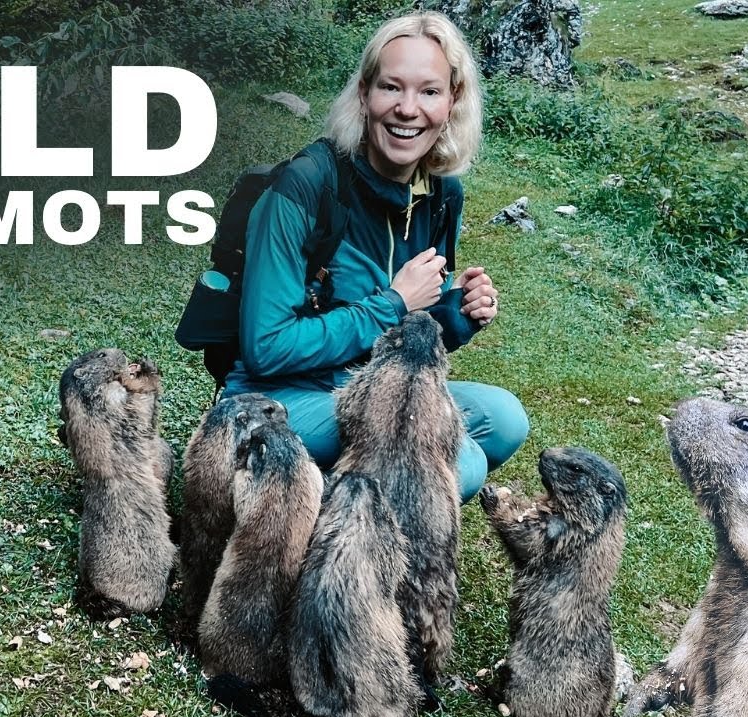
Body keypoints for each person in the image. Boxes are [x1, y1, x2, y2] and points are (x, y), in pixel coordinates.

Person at [221, 11, 528, 503]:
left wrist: (458, 314)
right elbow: (266, 347)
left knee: (504, 418)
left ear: (452, 102)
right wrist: (392, 302)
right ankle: (318, 520)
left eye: (429, 92)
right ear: (364, 94)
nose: (408, 109)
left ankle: (342, 490)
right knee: (462, 465)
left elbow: (406, 335)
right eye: (391, 88)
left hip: (371, 388)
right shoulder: (305, 185)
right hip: (275, 399)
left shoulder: (442, 194)